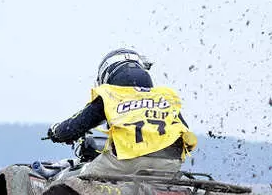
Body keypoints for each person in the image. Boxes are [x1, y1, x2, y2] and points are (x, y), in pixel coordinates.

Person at [47, 48, 198, 178]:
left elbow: (73, 128)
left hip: (126, 161)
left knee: (77, 181)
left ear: (108, 74)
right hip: (170, 164)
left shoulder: (110, 94)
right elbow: (183, 130)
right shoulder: (165, 96)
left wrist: (55, 132)